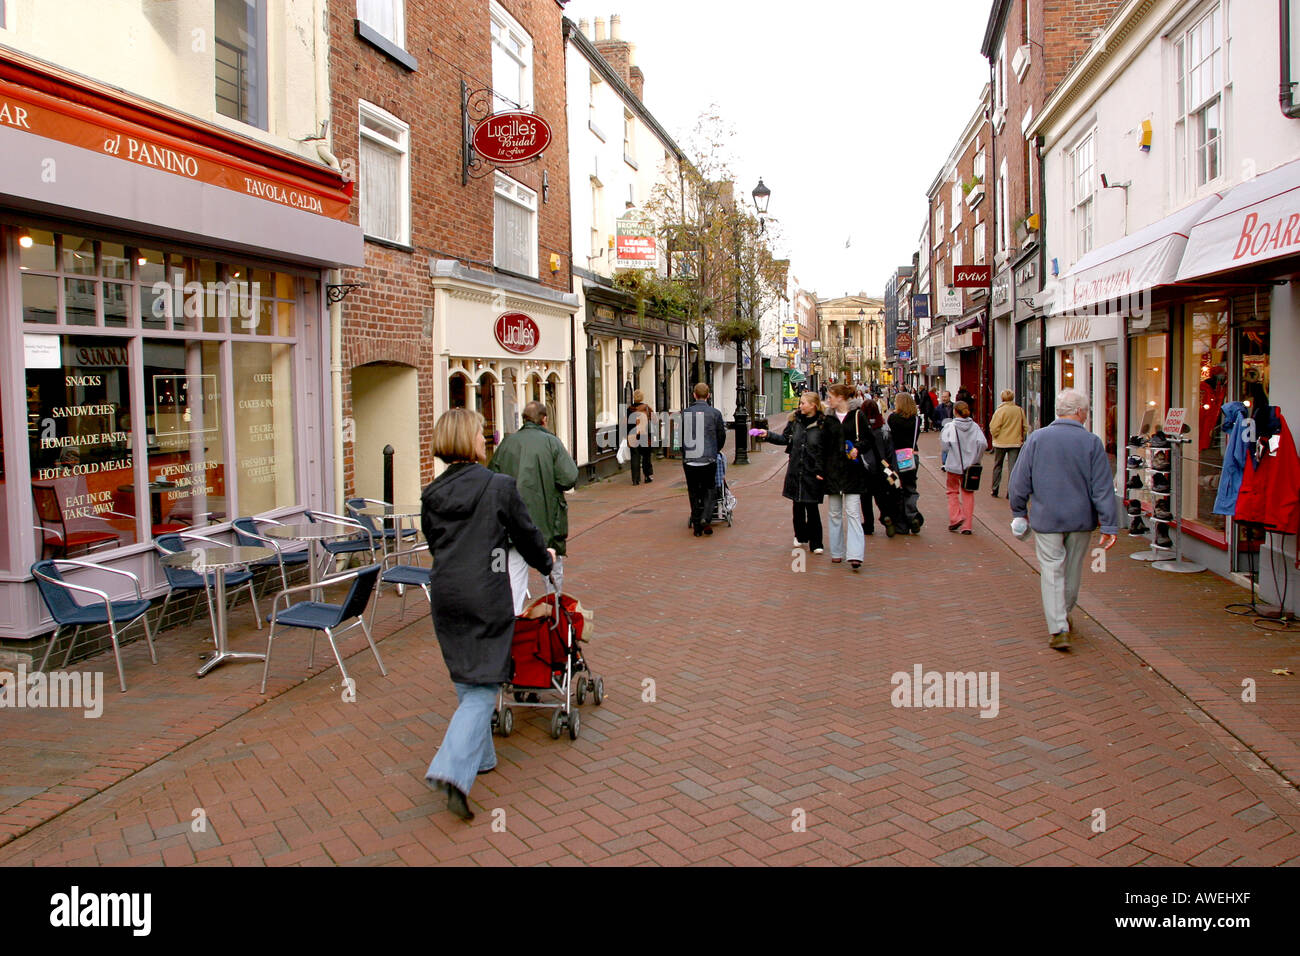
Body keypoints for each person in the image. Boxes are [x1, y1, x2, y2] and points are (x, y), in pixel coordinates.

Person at [421, 409, 556, 820]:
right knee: (485, 684)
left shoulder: (431, 494)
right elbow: (526, 534)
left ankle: (480, 758)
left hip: (445, 592)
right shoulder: (499, 487)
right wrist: (546, 561)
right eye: (482, 434)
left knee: (467, 671)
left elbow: (434, 543)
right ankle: (451, 771)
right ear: (467, 441)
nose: (486, 440)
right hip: (485, 592)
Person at [1007, 388, 1118, 650]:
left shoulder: (1037, 439)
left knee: (1051, 570)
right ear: (1080, 412)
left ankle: (1058, 628)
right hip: (1080, 519)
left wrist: (1019, 511)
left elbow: (1020, 479)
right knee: (1072, 571)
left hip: (1046, 517)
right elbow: (1102, 488)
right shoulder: (1092, 442)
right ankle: (1063, 614)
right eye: (1086, 412)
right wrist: (1109, 523)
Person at [488, 400, 578, 609]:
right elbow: (570, 477)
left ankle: (514, 623)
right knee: (552, 574)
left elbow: (492, 479)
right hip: (546, 521)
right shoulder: (551, 442)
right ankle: (555, 617)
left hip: (512, 525)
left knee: (515, 578)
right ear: (544, 419)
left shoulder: (507, 444)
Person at [756, 390, 829, 553]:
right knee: (797, 505)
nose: (800, 406)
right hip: (797, 469)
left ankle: (816, 542)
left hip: (813, 471)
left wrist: (822, 469)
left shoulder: (823, 424)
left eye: (803, 403)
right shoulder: (795, 421)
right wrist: (767, 435)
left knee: (812, 507)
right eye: (800, 403)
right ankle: (801, 535)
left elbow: (825, 450)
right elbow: (785, 439)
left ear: (813, 405)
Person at [823, 384, 867, 569]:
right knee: (834, 513)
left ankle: (855, 554)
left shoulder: (857, 416)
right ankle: (836, 551)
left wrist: (858, 448)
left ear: (840, 397)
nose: (828, 400)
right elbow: (822, 445)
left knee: (853, 513)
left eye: (830, 396)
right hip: (833, 471)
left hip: (852, 472)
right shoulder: (827, 419)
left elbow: (868, 439)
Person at [681, 382, 727, 537]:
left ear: (694, 395)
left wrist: (684, 452)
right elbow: (721, 436)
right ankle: (706, 518)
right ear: (708, 395)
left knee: (693, 492)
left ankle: (697, 528)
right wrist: (716, 450)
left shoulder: (685, 413)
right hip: (708, 459)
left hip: (690, 460)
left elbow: (678, 436)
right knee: (709, 489)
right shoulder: (715, 413)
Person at [941, 400, 987, 534]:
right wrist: (976, 459)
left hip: (954, 465)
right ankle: (967, 525)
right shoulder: (975, 426)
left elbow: (945, 446)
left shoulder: (950, 426)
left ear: (955, 412)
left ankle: (956, 517)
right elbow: (983, 444)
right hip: (970, 466)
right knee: (968, 493)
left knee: (952, 491)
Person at [888, 392, 924, 534]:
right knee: (910, 487)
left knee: (898, 488)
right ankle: (912, 515)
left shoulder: (893, 418)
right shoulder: (916, 420)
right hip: (911, 454)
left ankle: (902, 524)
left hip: (898, 455)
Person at [988, 389, 1028, 499]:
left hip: (1000, 442)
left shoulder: (1000, 411)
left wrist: (995, 436)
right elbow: (1025, 426)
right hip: (1015, 442)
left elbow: (994, 427)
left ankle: (995, 488)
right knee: (1013, 468)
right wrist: (1021, 436)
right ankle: (1010, 491)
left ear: (1002, 398)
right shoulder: (1019, 410)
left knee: (998, 465)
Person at [626, 389, 655, 486]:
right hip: (644, 435)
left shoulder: (629, 409)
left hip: (632, 435)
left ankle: (635, 479)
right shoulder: (646, 408)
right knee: (646, 456)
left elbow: (626, 423)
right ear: (642, 397)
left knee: (635, 457)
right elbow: (654, 419)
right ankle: (647, 476)